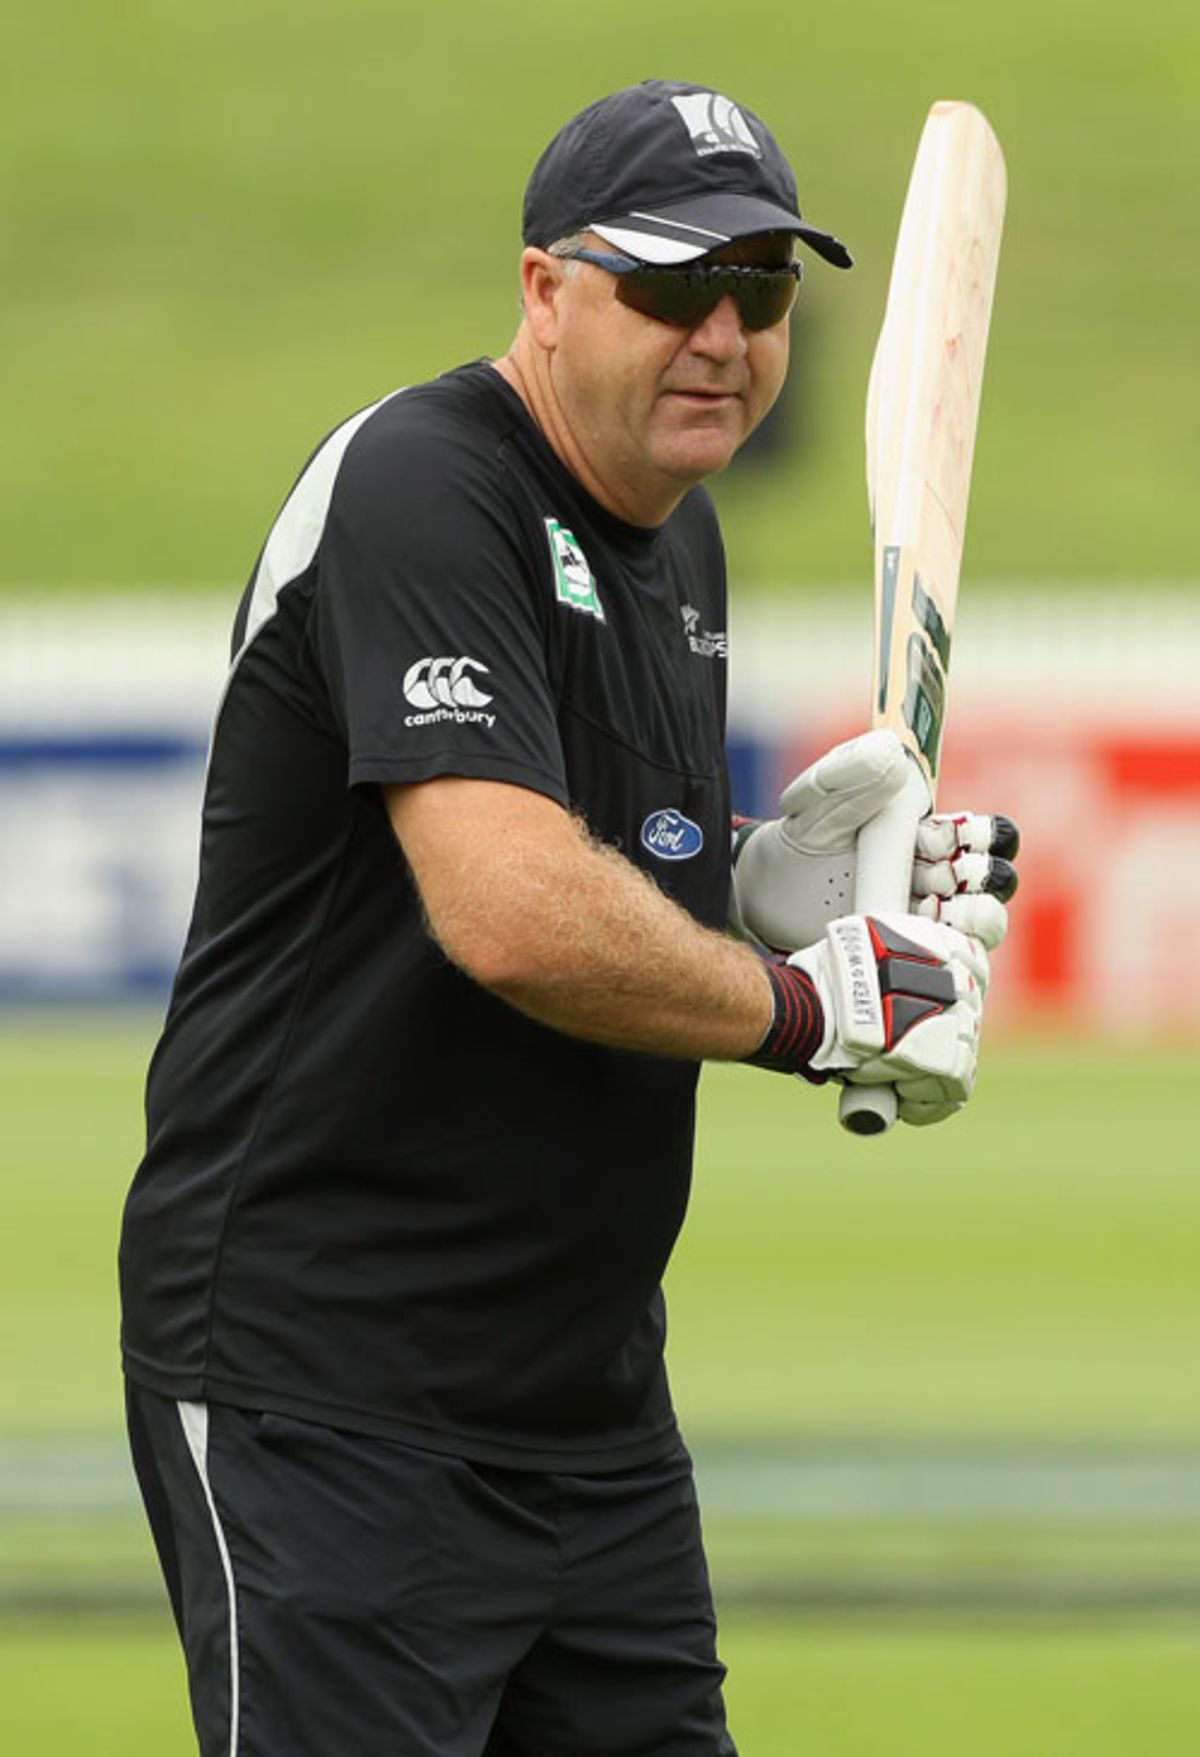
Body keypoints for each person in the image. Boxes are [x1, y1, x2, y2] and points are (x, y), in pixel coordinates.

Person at [120, 79, 1017, 1757]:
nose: (725, 337)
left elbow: (619, 850)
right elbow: (512, 906)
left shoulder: (682, 543)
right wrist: (810, 1001)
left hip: (586, 1410)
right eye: (676, 286)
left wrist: (787, 881)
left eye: (761, 295)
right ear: (546, 290)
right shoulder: (422, 485)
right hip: (329, 1393)